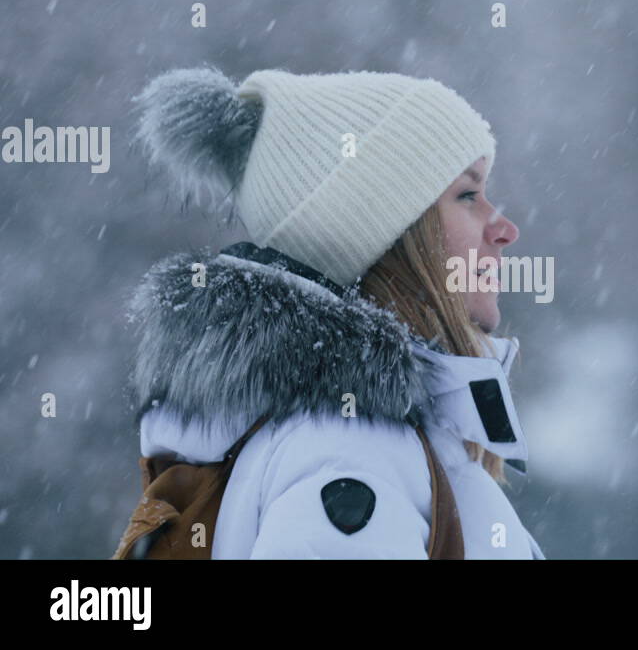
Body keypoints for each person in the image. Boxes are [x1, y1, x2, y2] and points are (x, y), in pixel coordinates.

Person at [127, 66, 544, 558]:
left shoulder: (362, 446)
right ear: (385, 237)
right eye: (467, 195)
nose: (505, 229)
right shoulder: (349, 461)